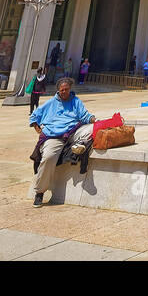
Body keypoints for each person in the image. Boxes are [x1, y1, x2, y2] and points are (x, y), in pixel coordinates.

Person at [29, 76, 96, 207]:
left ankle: (79, 146)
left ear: (70, 89)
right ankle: (39, 192)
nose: (64, 92)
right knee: (48, 157)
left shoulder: (75, 101)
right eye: (62, 90)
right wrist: (36, 125)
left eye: (66, 90)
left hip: (73, 130)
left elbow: (84, 115)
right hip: (55, 135)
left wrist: (94, 119)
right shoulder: (51, 103)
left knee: (92, 129)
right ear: (58, 90)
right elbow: (34, 115)